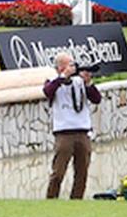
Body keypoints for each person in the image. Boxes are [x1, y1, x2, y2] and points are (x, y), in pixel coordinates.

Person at [43, 52, 103, 199]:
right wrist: (63, 77)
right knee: (58, 172)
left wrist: (88, 82)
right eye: (68, 64)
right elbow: (47, 92)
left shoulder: (79, 81)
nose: (72, 67)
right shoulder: (53, 80)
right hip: (64, 133)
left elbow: (96, 99)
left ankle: (76, 199)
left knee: (82, 172)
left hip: (82, 132)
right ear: (60, 67)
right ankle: (51, 199)